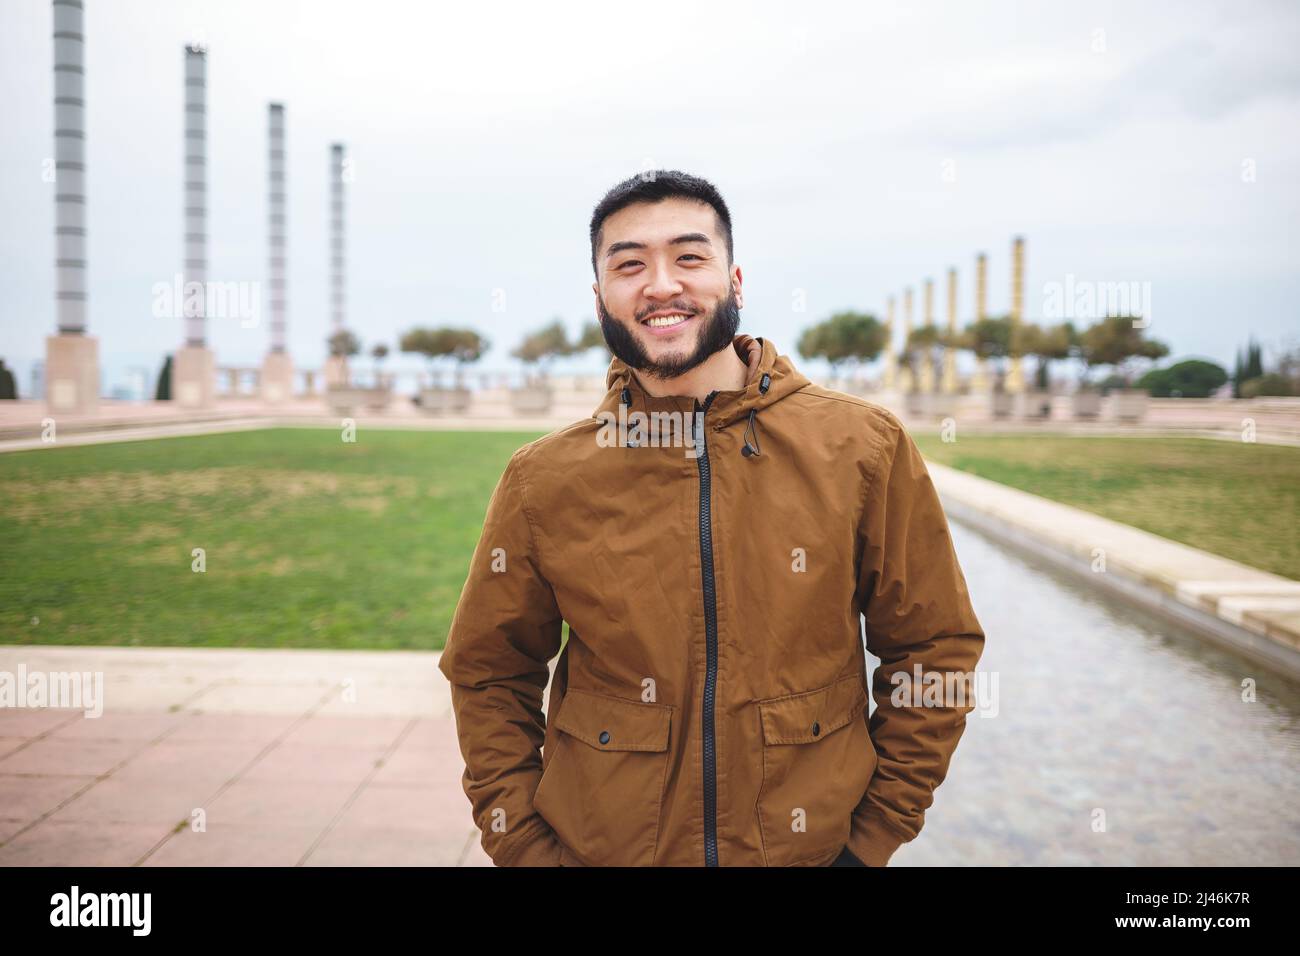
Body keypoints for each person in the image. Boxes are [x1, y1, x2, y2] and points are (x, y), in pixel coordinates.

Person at [438, 170, 986, 867]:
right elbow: (488, 672)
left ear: (734, 280)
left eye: (688, 257)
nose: (660, 284)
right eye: (629, 264)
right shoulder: (543, 481)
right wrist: (523, 847)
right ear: (600, 296)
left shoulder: (862, 449)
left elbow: (933, 651)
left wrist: (872, 837)